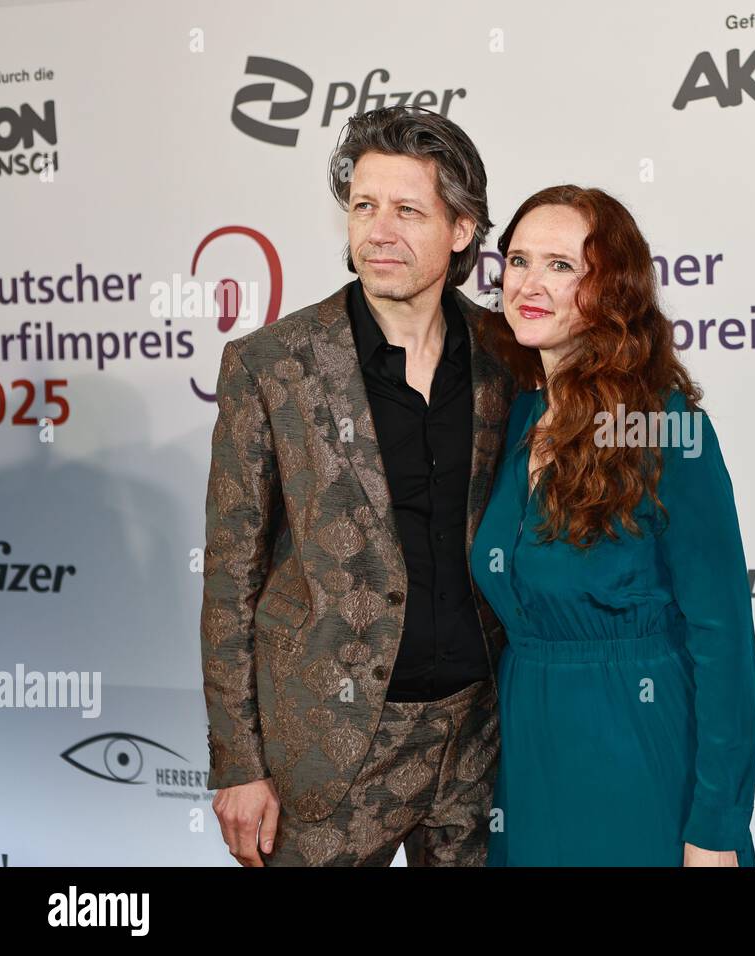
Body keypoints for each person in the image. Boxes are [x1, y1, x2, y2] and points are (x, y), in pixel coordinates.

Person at [199, 105, 515, 866]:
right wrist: (239, 764)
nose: (379, 231)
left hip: (480, 741)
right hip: (330, 749)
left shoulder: (508, 358)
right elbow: (229, 576)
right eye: (364, 206)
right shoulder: (271, 364)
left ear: (463, 229)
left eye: (409, 210)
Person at [470, 185, 755, 866]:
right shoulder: (514, 419)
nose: (530, 283)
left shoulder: (667, 427)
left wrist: (716, 827)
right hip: (528, 759)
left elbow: (724, 644)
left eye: (562, 265)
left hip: (639, 751)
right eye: (517, 261)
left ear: (614, 289)